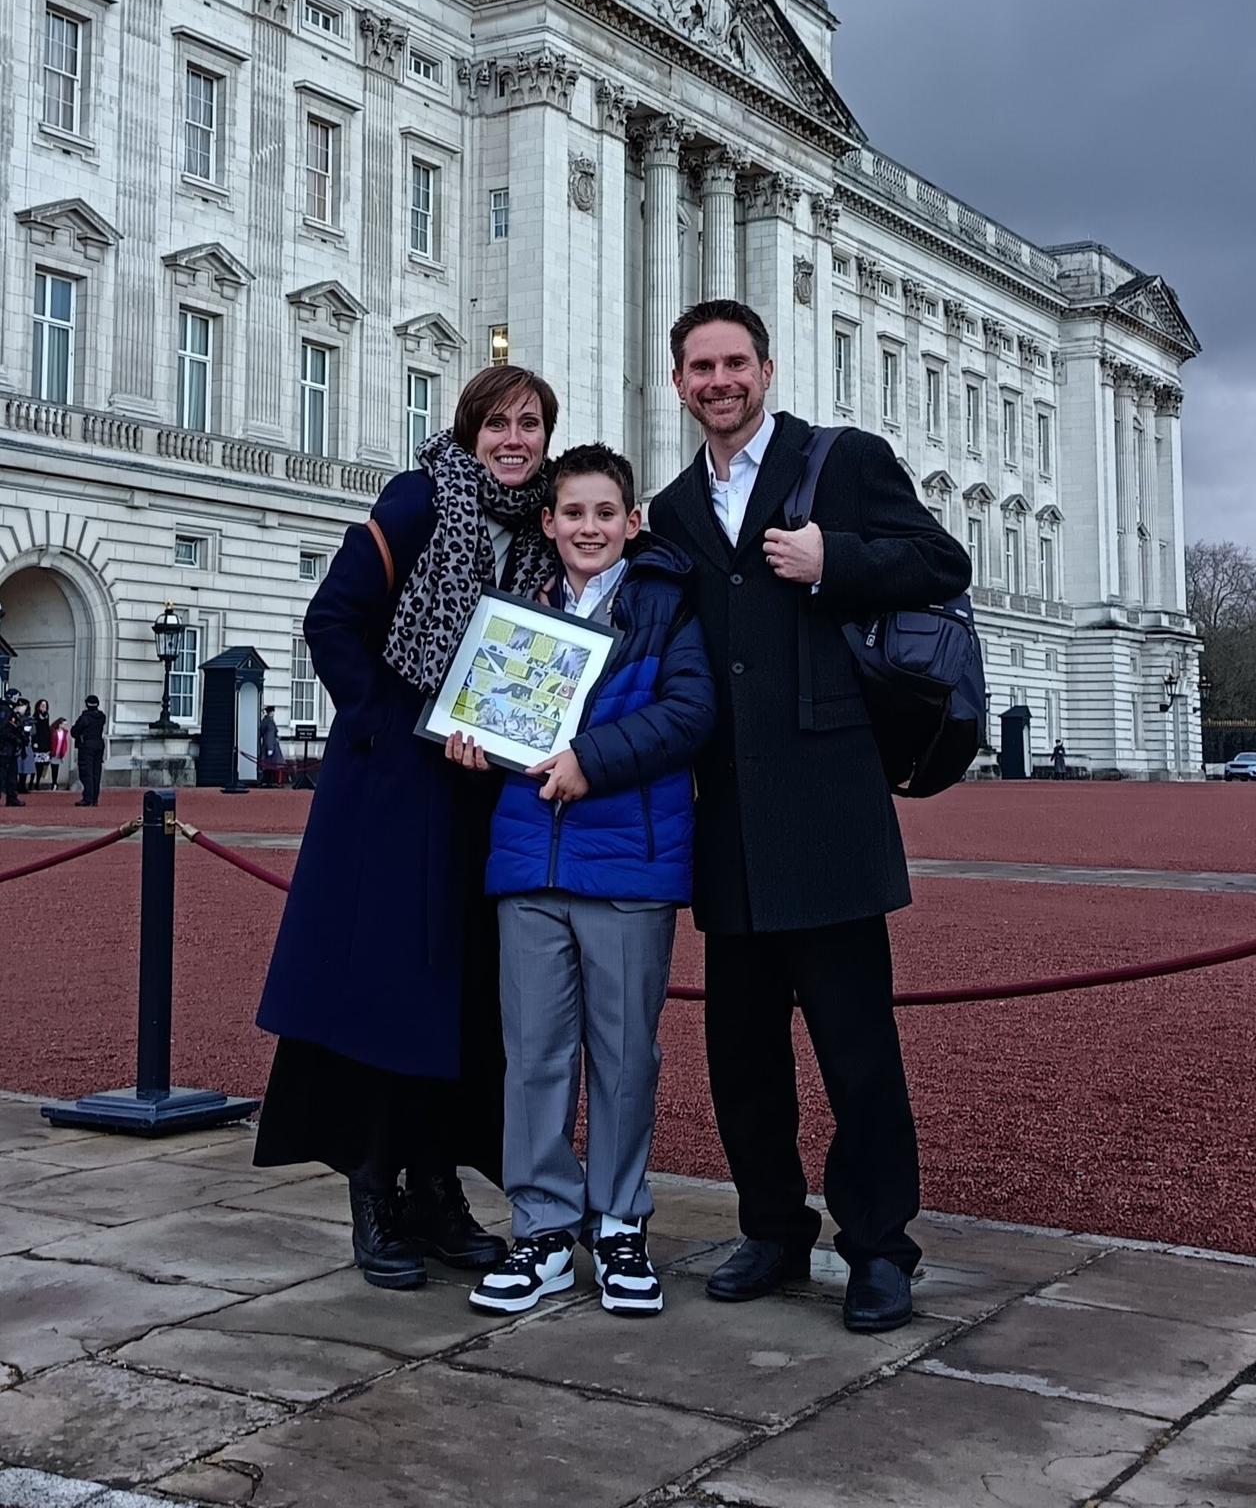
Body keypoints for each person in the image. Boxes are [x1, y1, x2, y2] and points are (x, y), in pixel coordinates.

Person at [650, 299, 972, 1336]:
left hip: (828, 804)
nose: (718, 381)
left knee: (855, 1051)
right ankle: (771, 1228)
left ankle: (878, 1247)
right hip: (729, 814)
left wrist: (836, 560)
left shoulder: (840, 461)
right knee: (740, 1056)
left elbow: (938, 562)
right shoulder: (668, 506)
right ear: (678, 382)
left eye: (733, 361)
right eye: (699, 366)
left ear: (766, 367)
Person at [255, 365, 560, 1293]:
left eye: (532, 424)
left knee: (463, 999)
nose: (516, 439)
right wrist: (392, 728)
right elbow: (332, 620)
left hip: (480, 792)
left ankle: (437, 1188)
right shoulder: (420, 499)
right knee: (388, 992)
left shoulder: (544, 529)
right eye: (500, 423)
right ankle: (373, 1191)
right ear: (469, 429)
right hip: (393, 789)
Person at [448, 444, 716, 1320]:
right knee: (532, 1059)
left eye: (605, 513)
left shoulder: (667, 606)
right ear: (550, 522)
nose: (589, 528)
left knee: (625, 1058)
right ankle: (542, 1230)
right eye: (573, 514)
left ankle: (620, 1224)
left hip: (628, 862)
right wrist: (471, 743)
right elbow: (490, 714)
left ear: (631, 522)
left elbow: (689, 714)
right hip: (530, 858)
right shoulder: (518, 610)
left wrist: (591, 763)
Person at [71, 695, 107, 807]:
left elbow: (74, 731)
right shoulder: (101, 717)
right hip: (99, 745)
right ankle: (94, 798)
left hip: (86, 746)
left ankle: (88, 798)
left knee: (86, 773)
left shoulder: (85, 717)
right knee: (96, 773)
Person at [0, 690, 24, 808]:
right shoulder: (5, 710)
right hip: (4, 747)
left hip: (10, 747)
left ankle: (12, 797)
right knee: (3, 773)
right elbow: (3, 729)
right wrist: (15, 738)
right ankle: (11, 797)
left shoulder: (10, 711)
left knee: (12, 774)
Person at [257, 705, 286, 786]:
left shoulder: (265, 720)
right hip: (271, 746)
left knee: (268, 765)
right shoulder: (269, 722)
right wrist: (270, 748)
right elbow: (270, 735)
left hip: (266, 745)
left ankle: (267, 781)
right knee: (272, 765)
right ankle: (270, 782)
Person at [32, 700, 52, 790]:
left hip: (45, 742)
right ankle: (32, 781)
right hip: (37, 742)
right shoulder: (35, 716)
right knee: (35, 763)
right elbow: (34, 731)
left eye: (45, 705)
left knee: (43, 764)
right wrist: (34, 741)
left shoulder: (47, 716)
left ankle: (38, 781)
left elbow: (47, 730)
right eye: (42, 705)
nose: (43, 707)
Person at [48, 716, 70, 791]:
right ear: (59, 724)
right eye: (63, 724)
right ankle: (53, 782)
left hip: (59, 752)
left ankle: (54, 782)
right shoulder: (53, 731)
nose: (64, 726)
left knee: (56, 768)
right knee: (51, 767)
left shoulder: (64, 732)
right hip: (53, 751)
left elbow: (64, 743)